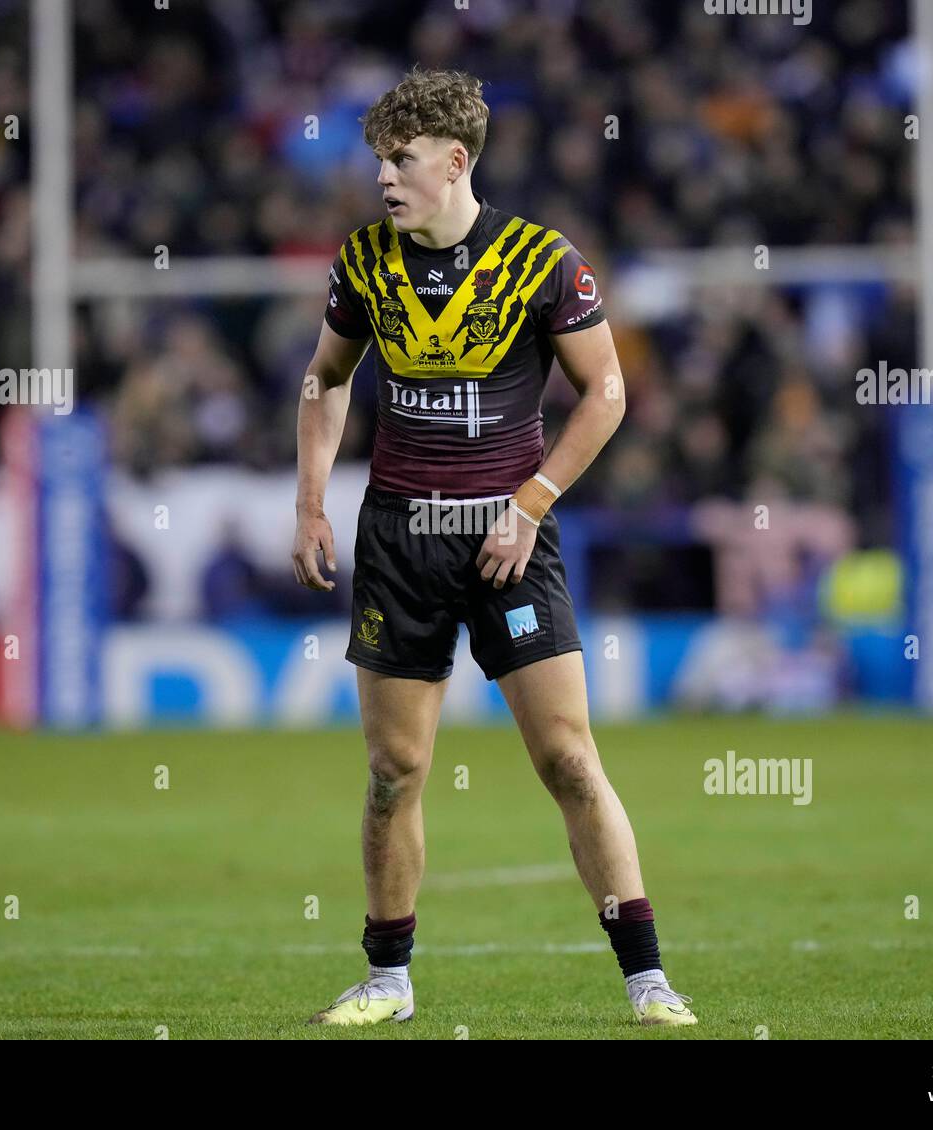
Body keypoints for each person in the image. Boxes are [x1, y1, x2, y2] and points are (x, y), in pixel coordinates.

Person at [291, 66, 696, 1028]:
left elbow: (607, 393)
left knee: (566, 758)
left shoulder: (541, 260)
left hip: (508, 536)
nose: (383, 176)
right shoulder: (364, 261)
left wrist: (532, 500)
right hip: (398, 539)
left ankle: (648, 980)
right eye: (378, 159)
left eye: (399, 159)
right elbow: (325, 378)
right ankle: (387, 980)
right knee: (395, 772)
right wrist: (310, 501)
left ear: (455, 159)